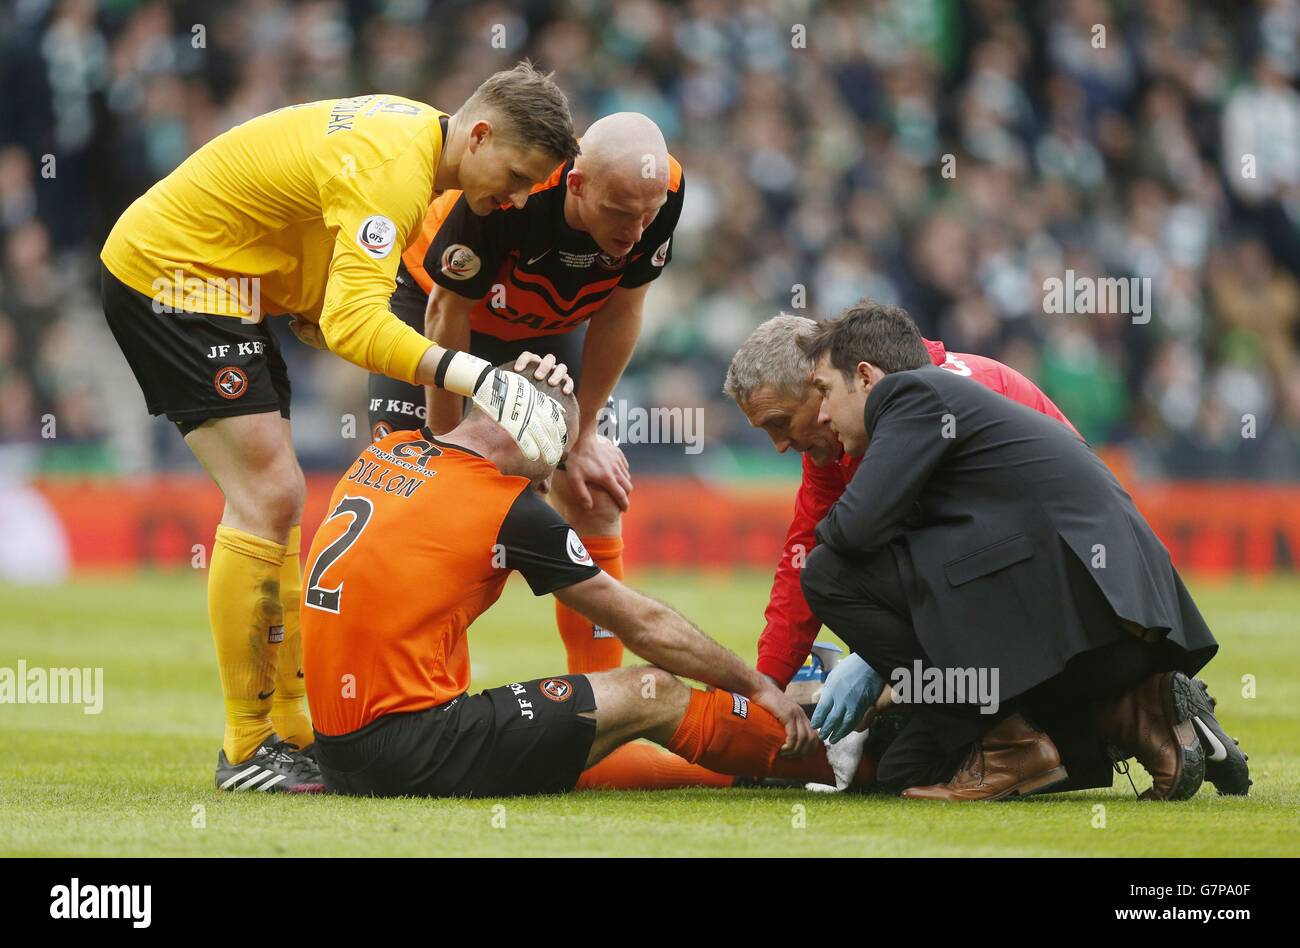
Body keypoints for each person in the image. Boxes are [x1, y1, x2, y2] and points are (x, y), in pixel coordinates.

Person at [100, 62, 578, 792]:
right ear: (478, 134)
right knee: (268, 495)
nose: (513, 201)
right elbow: (355, 322)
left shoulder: (414, 146)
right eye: (515, 175)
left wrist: (330, 322)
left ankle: (289, 732)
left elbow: (331, 314)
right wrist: (477, 375)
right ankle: (248, 745)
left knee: (279, 498)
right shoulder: (398, 166)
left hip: (232, 283)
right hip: (176, 273)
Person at [301, 368, 880, 799]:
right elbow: (644, 625)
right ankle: (835, 764)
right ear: (535, 439)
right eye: (554, 462)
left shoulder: (388, 451)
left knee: (596, 728)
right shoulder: (505, 508)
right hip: (410, 747)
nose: (549, 486)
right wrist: (758, 687)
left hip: (342, 748)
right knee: (651, 690)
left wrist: (594, 514)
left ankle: (779, 746)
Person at [795, 303, 1248, 800]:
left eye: (823, 391)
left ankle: (1013, 745)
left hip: (1078, 612)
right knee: (904, 769)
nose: (820, 413)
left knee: (826, 574)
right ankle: (1136, 712)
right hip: (1109, 626)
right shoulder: (956, 406)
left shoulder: (909, 393)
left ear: (865, 377)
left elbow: (852, 531)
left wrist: (875, 658)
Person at [368, 111, 683, 676]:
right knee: (414, 500)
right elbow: (448, 311)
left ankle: (603, 707)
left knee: (592, 488)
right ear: (576, 183)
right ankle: (424, 696)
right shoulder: (515, 193)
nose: (634, 232)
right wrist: (445, 447)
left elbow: (622, 311)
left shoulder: (661, 188)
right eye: (618, 212)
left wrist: (582, 435)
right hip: (434, 308)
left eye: (648, 214)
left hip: (543, 324)